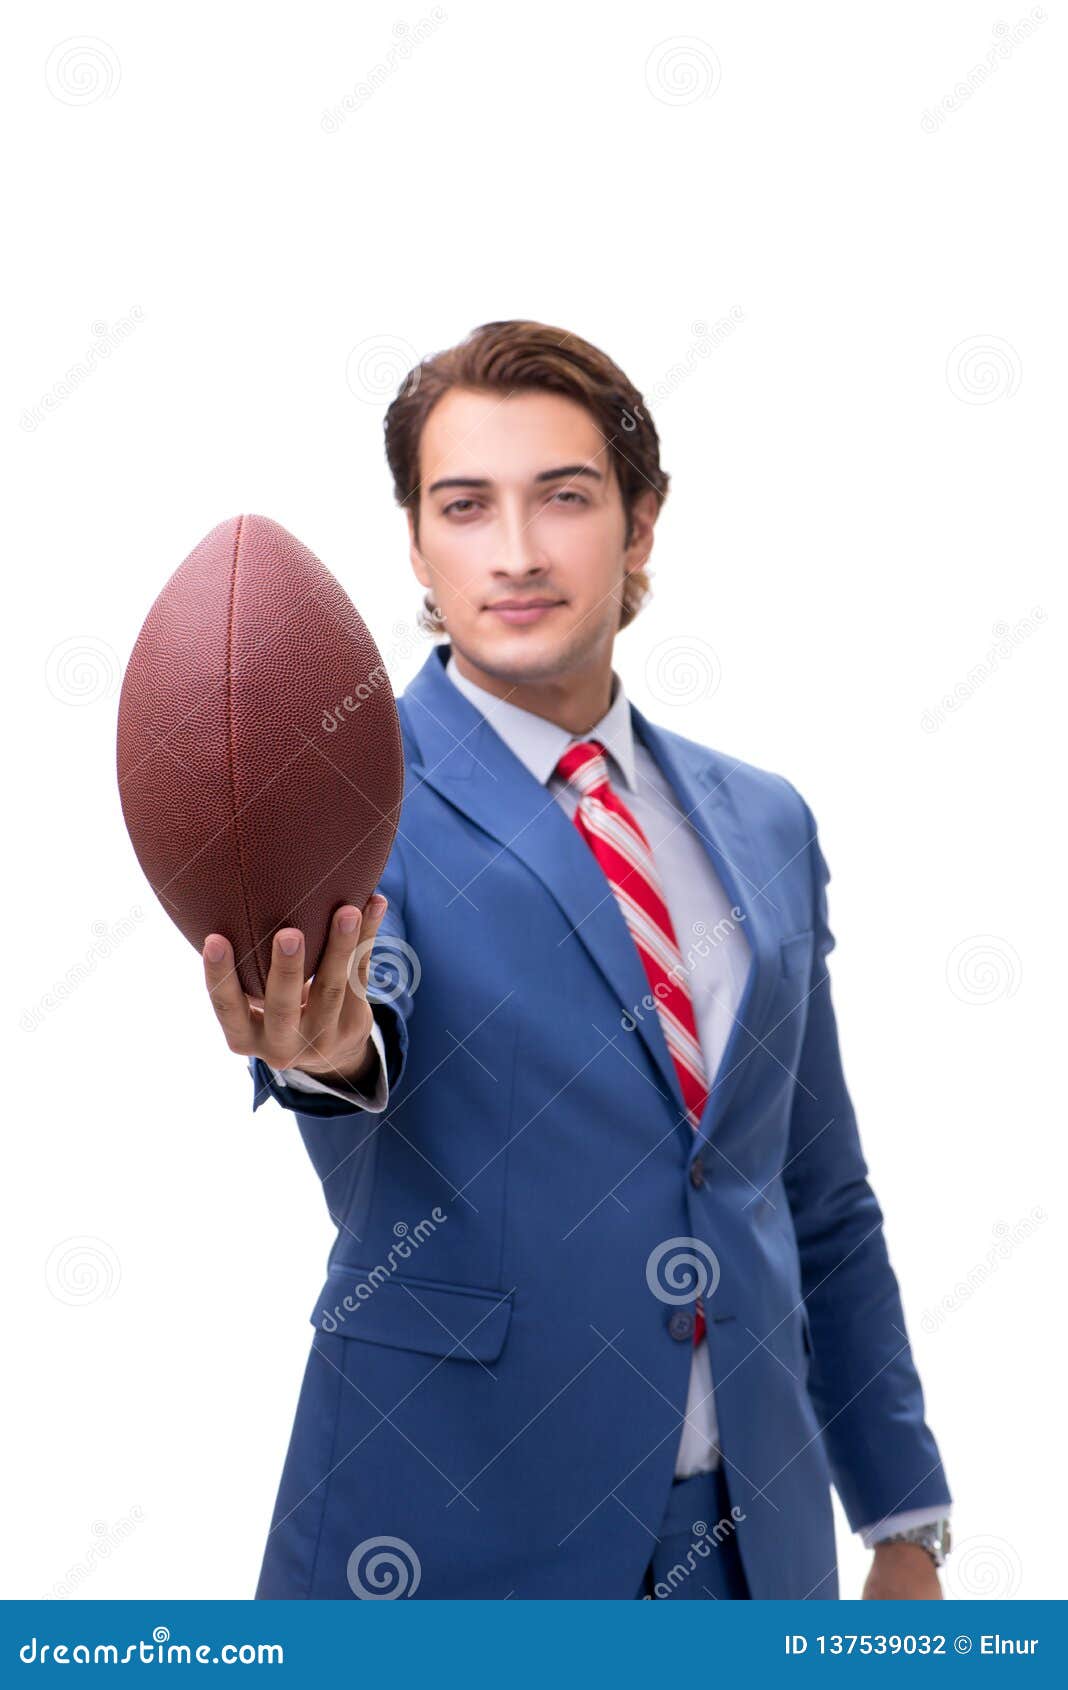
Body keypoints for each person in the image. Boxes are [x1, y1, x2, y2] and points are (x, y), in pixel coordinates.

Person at [202, 320, 952, 1599]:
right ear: (417, 541)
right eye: (465, 505)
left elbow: (819, 1194)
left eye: (564, 497)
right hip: (446, 1538)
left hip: (751, 1558)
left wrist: (899, 1514)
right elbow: (358, 1021)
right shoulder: (345, 793)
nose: (517, 551)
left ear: (641, 526)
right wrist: (327, 1051)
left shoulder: (764, 820)